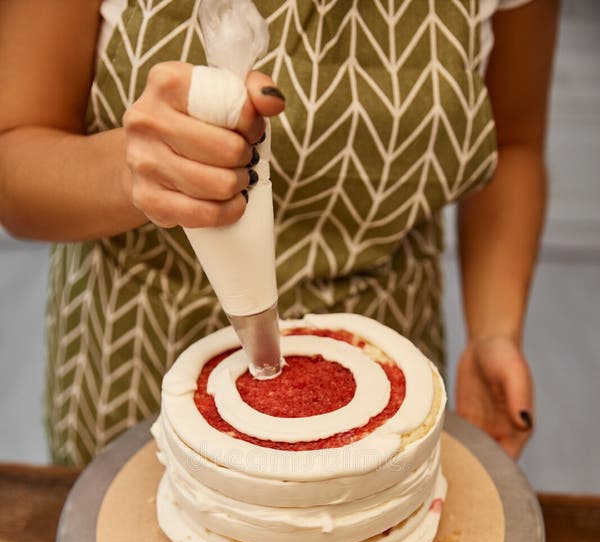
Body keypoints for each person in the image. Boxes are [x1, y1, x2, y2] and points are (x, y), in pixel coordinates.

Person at [0, 1, 558, 466]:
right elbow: (14, 165)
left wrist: (494, 331)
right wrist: (132, 171)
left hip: (384, 343)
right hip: (137, 357)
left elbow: (511, 144)